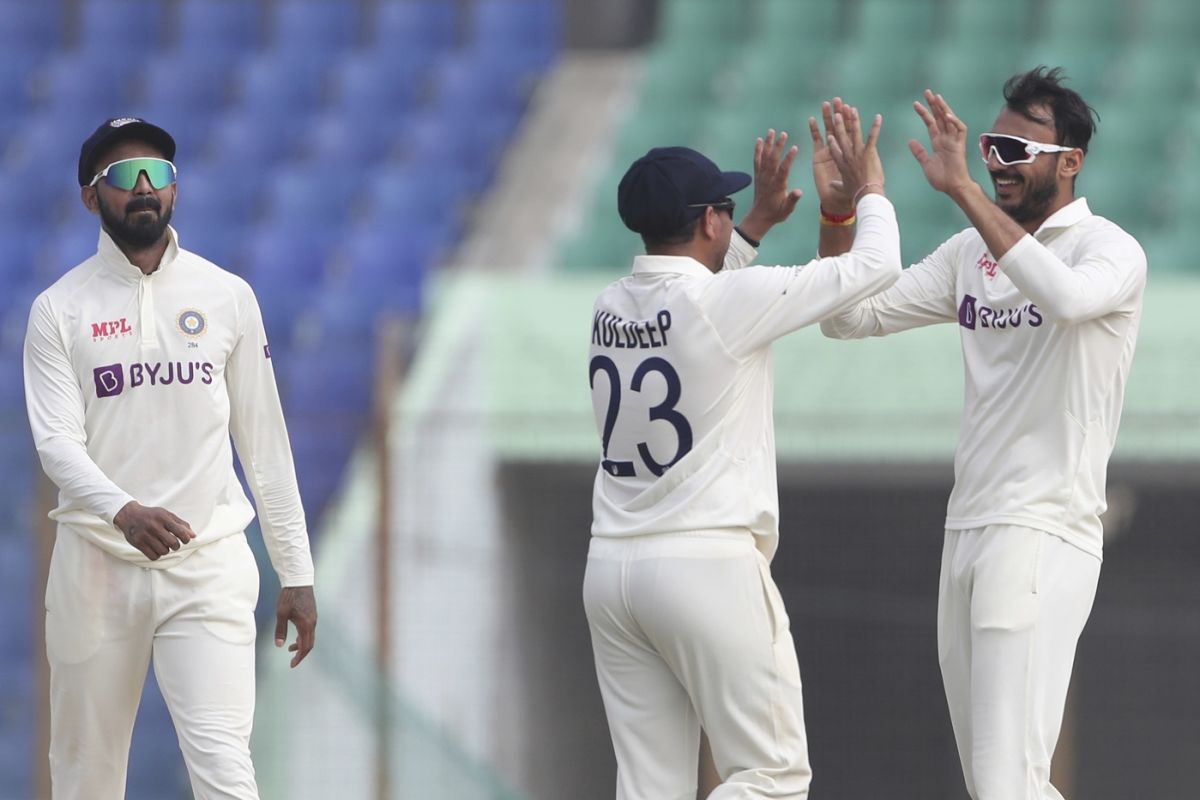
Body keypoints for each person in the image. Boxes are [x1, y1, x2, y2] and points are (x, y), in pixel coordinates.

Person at [820, 68, 1147, 799]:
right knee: (1001, 783)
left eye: (1014, 148)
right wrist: (848, 213)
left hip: (1042, 529)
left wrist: (962, 189)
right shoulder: (969, 256)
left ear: (1070, 162)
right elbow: (847, 317)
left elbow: (1065, 300)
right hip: (967, 528)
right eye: (992, 145)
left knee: (1006, 783)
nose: (997, 160)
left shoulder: (1108, 249)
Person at [583, 101, 900, 799]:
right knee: (773, 774)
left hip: (612, 572)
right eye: (724, 207)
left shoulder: (610, 303)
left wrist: (751, 222)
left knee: (648, 787)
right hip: (703, 566)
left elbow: (703, 298)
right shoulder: (726, 305)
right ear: (707, 221)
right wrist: (868, 189)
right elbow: (876, 266)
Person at [23, 117, 318, 800]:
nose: (146, 187)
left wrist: (296, 572)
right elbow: (57, 444)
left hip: (208, 558)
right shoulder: (58, 310)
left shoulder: (227, 297)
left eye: (159, 173)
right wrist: (122, 511)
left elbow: (264, 445)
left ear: (178, 191)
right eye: (125, 177)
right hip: (96, 564)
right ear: (92, 198)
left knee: (223, 768)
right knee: (85, 780)